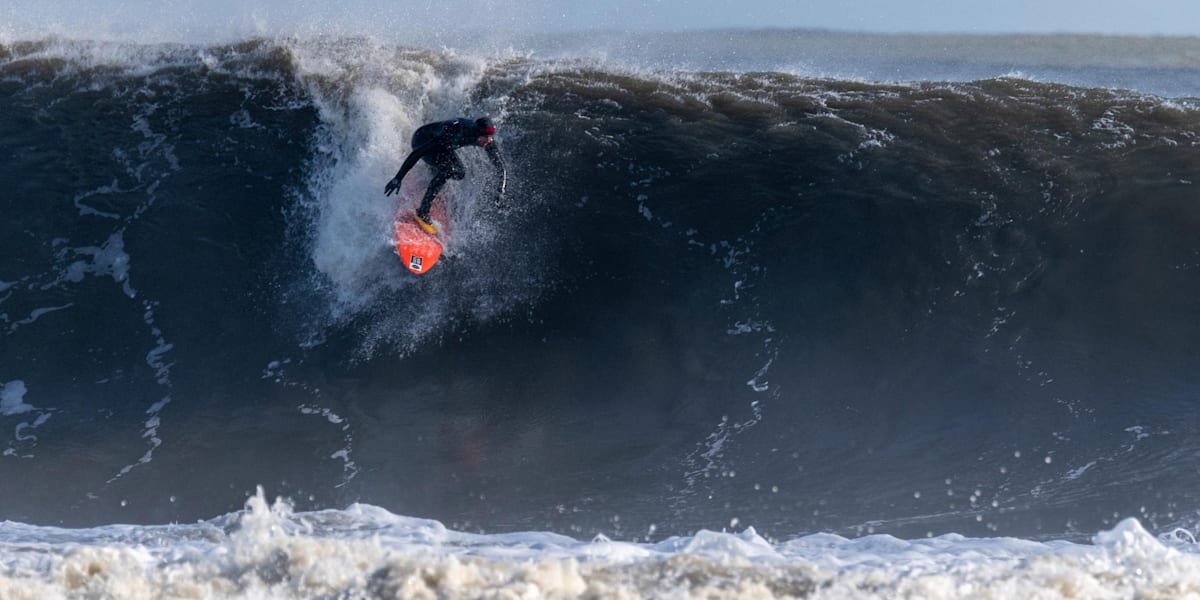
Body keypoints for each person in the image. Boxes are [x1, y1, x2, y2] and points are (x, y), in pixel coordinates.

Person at [384, 117, 507, 234]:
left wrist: (500, 190)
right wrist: (398, 178)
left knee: (459, 173)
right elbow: (417, 153)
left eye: (491, 136)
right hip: (421, 140)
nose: (489, 140)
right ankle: (422, 211)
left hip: (443, 147)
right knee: (450, 169)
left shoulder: (486, 139)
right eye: (486, 137)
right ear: (476, 133)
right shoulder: (455, 132)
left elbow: (500, 166)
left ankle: (434, 178)